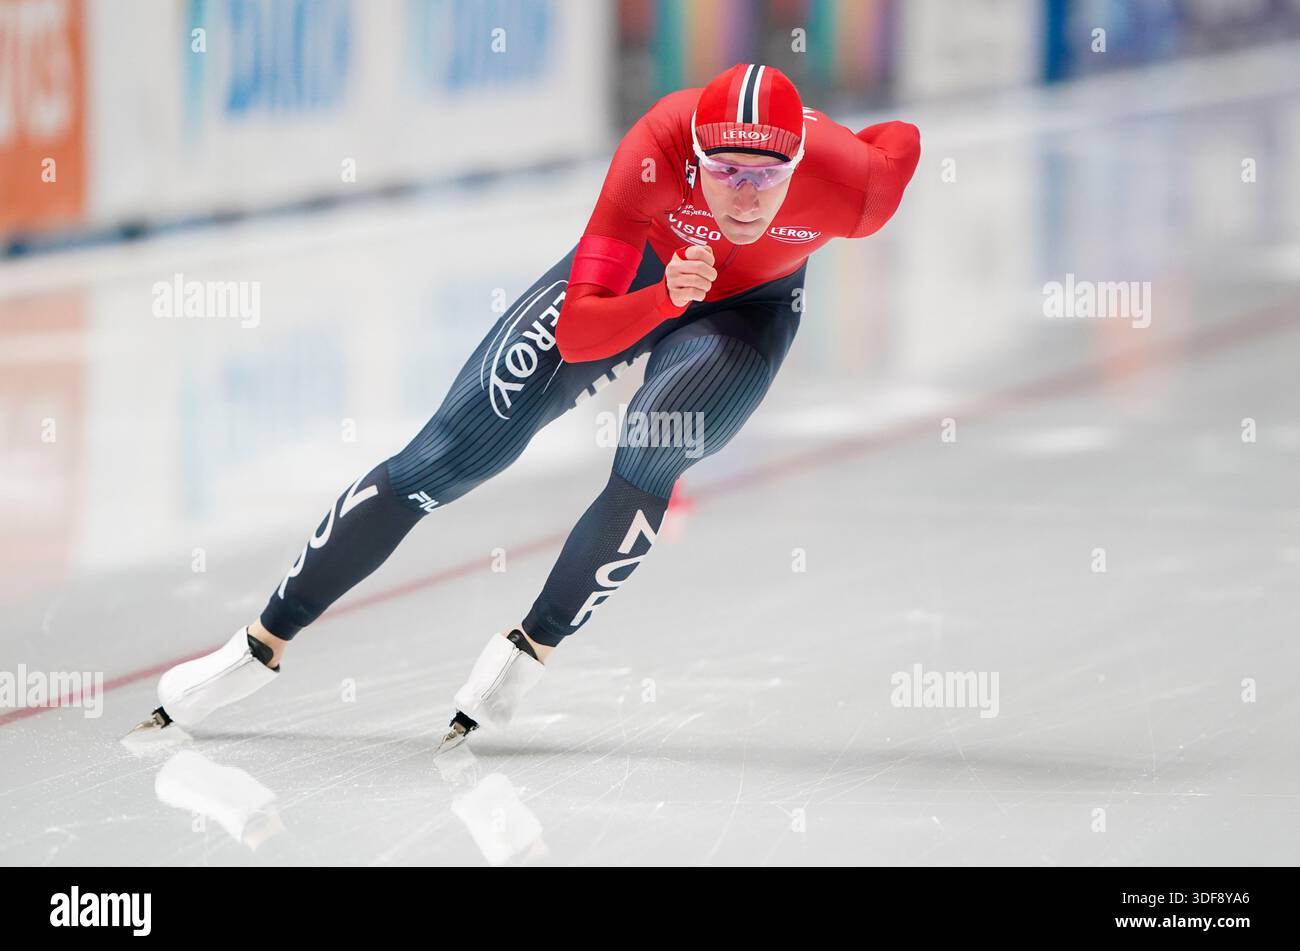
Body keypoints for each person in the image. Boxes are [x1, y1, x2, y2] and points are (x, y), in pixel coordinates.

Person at [130, 63, 921, 751]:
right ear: (693, 156)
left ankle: (530, 648)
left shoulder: (855, 188)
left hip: (749, 307)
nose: (745, 198)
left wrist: (823, 144)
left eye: (768, 176)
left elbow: (899, 137)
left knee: (652, 448)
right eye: (724, 172)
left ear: (800, 163)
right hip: (644, 273)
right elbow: (579, 332)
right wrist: (658, 297)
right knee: (445, 456)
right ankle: (258, 644)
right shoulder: (653, 148)